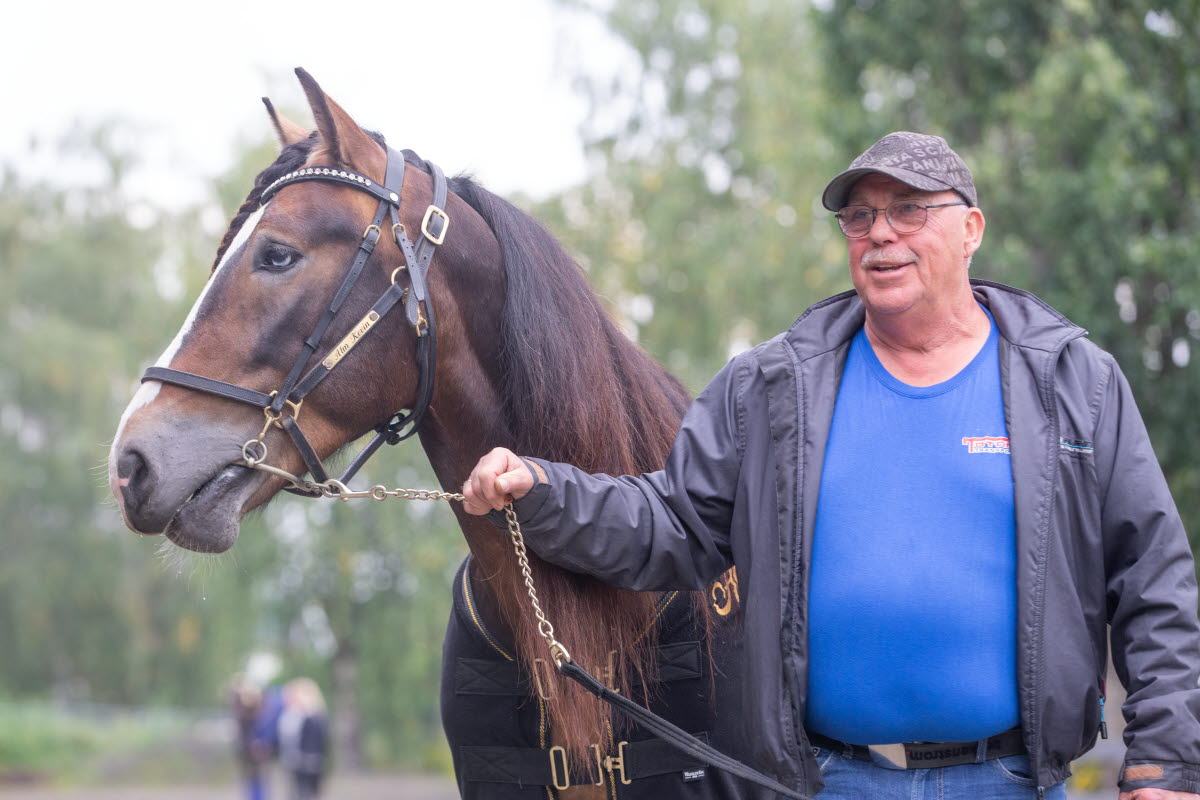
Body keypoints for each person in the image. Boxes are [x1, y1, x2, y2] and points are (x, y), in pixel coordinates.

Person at [462, 131, 1200, 800]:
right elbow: (673, 523)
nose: (880, 233)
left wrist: (1165, 766)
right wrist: (544, 492)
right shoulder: (772, 388)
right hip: (833, 782)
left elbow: (1154, 579)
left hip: (1013, 781)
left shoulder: (1073, 383)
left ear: (971, 229)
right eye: (859, 217)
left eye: (909, 210)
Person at [277, 678, 329, 800]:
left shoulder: (312, 716)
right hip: (296, 761)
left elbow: (320, 740)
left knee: (306, 792)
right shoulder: (291, 714)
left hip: (308, 760)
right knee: (299, 792)